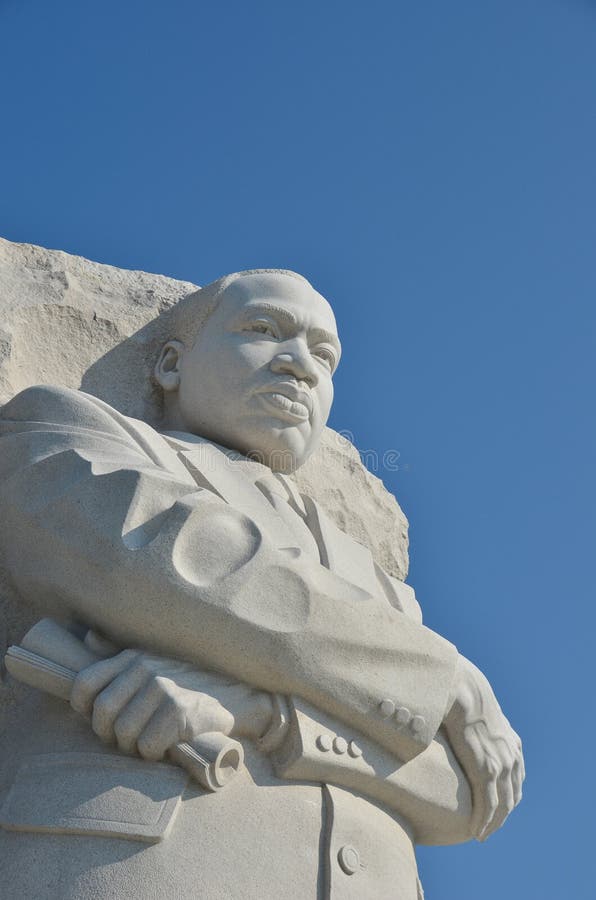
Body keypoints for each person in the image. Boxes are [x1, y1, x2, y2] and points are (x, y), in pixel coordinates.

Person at [0, 269, 523, 899]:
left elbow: (471, 796)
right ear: (170, 364)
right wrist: (448, 675)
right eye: (264, 329)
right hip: (142, 867)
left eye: (325, 356)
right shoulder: (67, 429)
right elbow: (159, 559)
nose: (301, 366)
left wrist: (265, 713)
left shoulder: (384, 590)